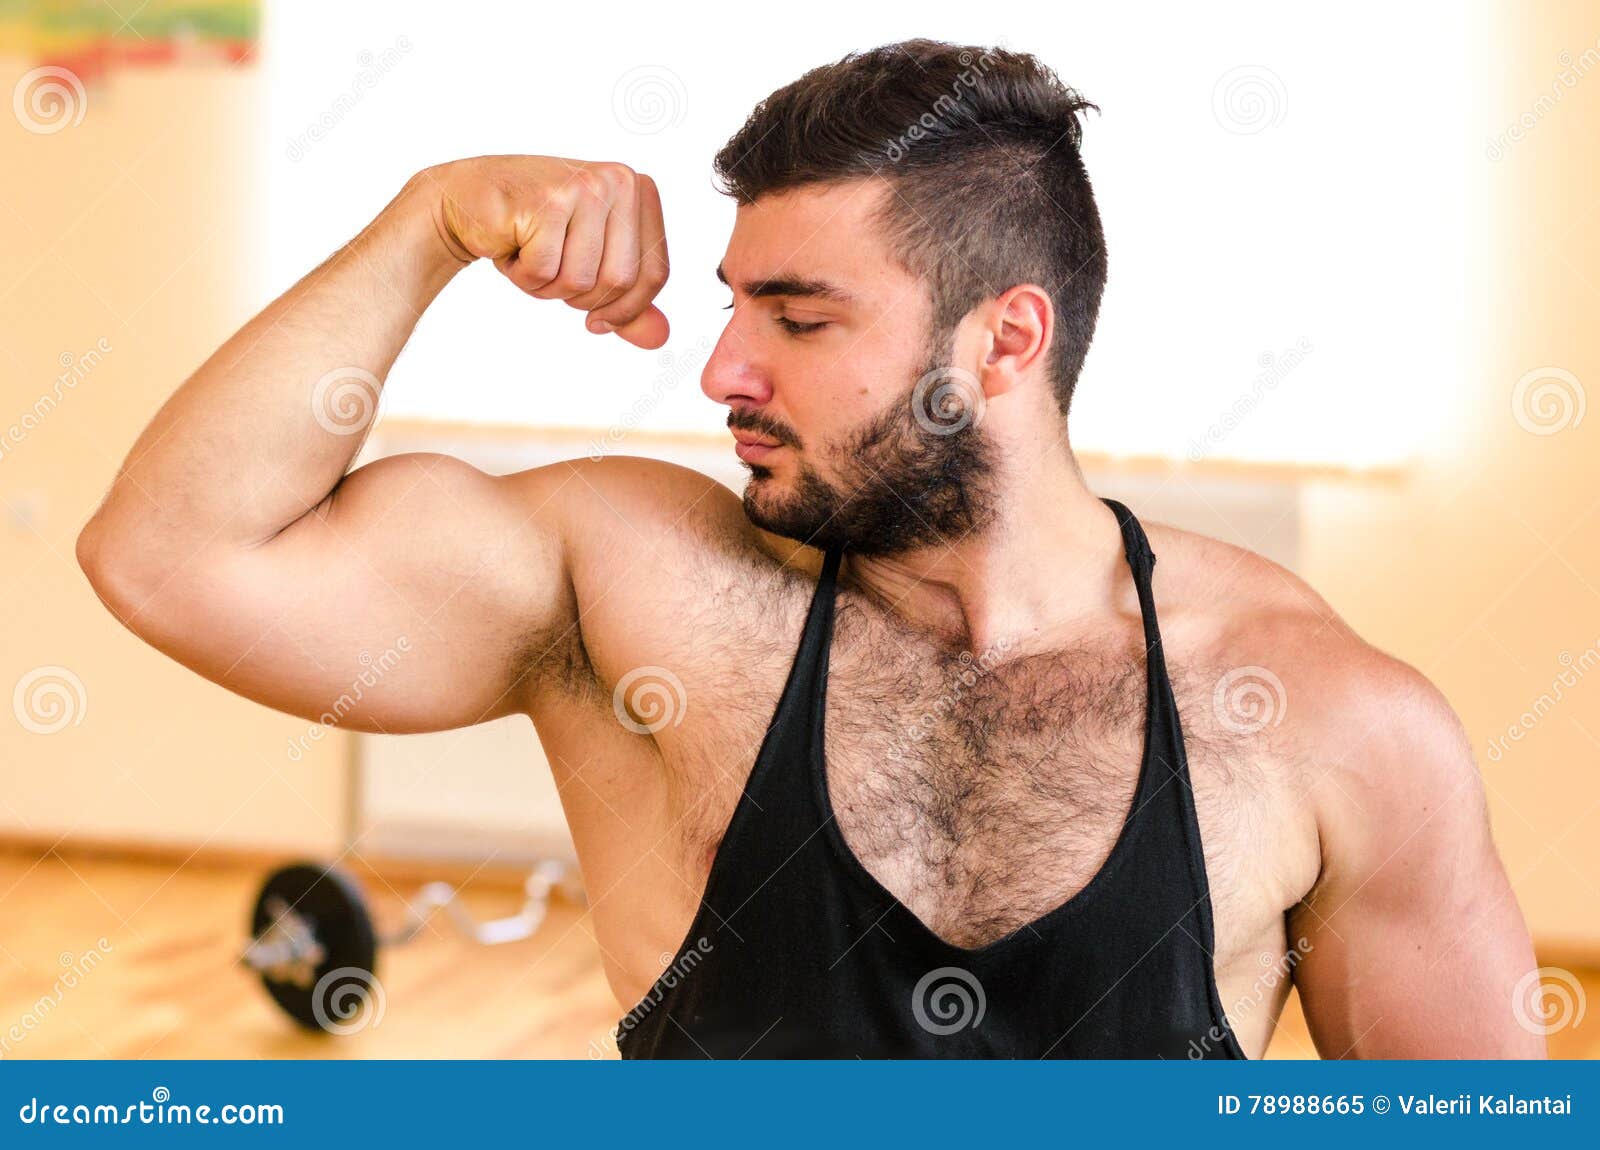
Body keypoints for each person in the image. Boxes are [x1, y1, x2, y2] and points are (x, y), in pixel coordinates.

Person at [76, 39, 1542, 1058]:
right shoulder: (636, 586)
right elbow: (171, 554)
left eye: (800, 315)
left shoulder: (1331, 720)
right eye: (732, 306)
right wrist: (429, 220)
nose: (720, 370)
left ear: (1003, 341)